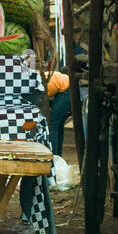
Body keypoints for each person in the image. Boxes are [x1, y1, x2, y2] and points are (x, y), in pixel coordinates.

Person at [19, 68, 72, 223]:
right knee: (58, 125)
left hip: (66, 88)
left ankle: (54, 155)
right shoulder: (32, 81)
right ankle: (57, 155)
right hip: (65, 86)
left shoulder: (32, 84)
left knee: (54, 124)